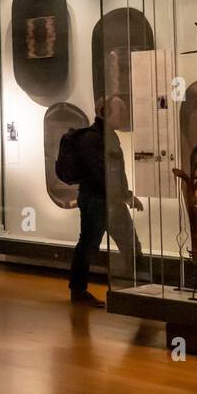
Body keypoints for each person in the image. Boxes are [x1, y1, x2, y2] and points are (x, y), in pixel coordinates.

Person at [67, 98, 144, 307]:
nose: (123, 115)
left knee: (129, 245)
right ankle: (78, 291)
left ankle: (140, 290)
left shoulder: (108, 137)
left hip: (110, 200)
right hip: (96, 201)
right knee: (88, 245)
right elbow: (103, 174)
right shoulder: (92, 139)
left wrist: (125, 195)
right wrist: (124, 195)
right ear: (104, 112)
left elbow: (116, 172)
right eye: (120, 111)